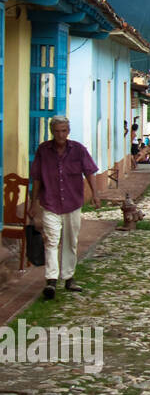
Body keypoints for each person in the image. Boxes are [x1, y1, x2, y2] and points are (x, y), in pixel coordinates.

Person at [27, 116, 100, 300]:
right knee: (52, 240)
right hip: (50, 202)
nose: (60, 135)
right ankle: (51, 280)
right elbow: (36, 178)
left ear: (68, 131)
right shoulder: (43, 150)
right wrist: (33, 203)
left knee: (71, 241)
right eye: (57, 131)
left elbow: (89, 172)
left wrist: (96, 194)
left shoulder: (78, 150)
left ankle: (68, 277)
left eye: (64, 131)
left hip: (72, 202)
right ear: (52, 131)